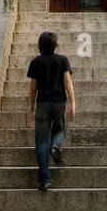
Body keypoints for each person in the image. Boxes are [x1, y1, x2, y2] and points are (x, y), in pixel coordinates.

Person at [27, 30, 76, 192]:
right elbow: (67, 81)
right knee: (60, 129)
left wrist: (31, 108)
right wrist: (73, 102)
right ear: (55, 44)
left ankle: (45, 180)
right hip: (59, 102)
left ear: (40, 45)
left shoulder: (35, 62)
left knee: (41, 142)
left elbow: (33, 88)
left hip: (42, 104)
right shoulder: (62, 60)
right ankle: (55, 146)